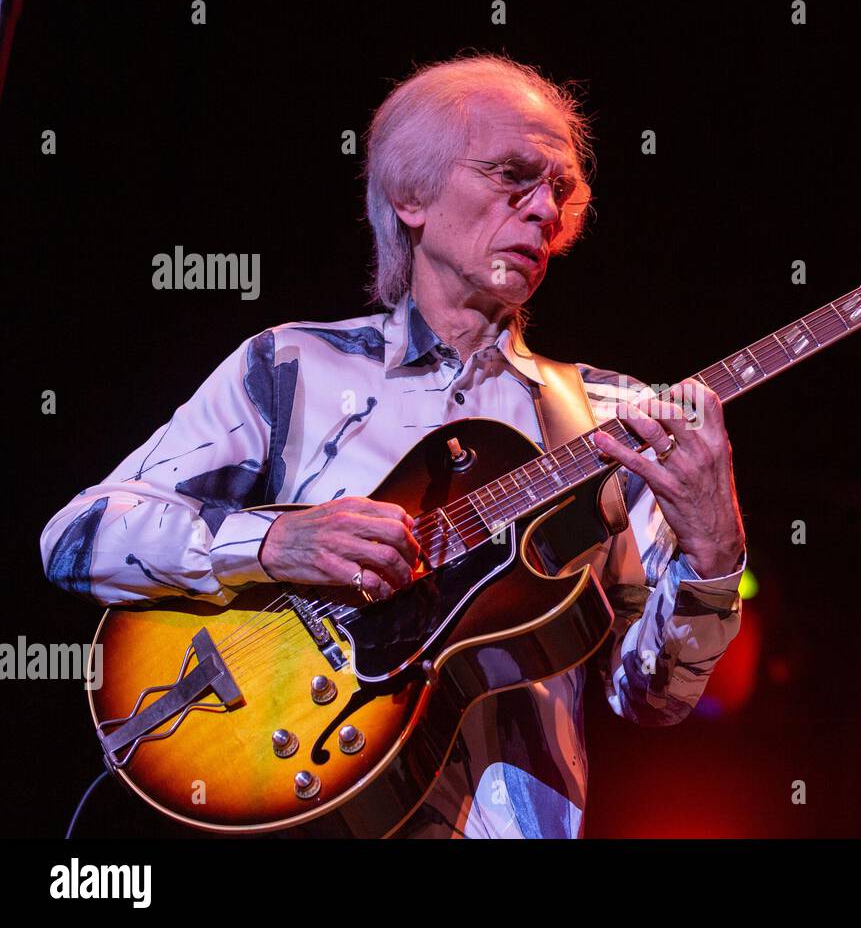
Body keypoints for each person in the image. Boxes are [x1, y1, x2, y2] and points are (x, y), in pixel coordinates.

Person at [40, 53, 747, 838]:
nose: (544, 210)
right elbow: (78, 536)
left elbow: (651, 696)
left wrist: (715, 556)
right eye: (514, 175)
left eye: (562, 191)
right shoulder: (291, 366)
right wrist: (275, 541)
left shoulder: (616, 417)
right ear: (412, 194)